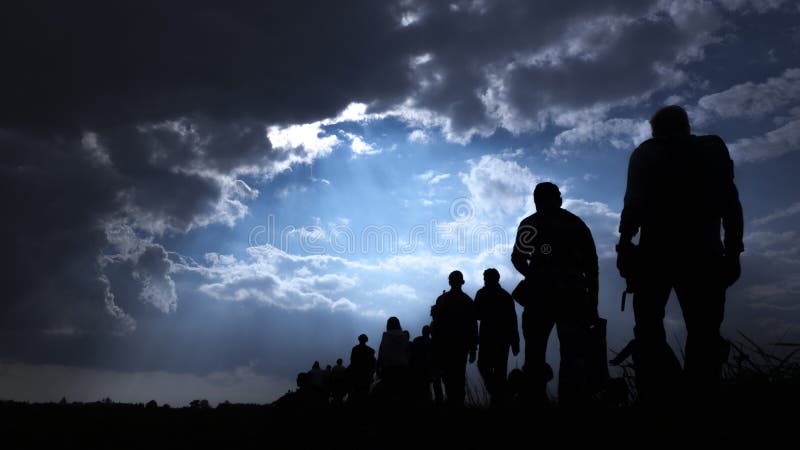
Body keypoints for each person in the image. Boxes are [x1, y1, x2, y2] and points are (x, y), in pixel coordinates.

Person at [617, 105, 743, 405]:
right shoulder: (711, 149)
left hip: (655, 255)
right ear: (686, 125)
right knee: (704, 331)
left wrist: (624, 244)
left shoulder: (645, 153)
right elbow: (730, 202)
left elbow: (633, 203)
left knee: (648, 330)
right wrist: (734, 251)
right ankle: (700, 399)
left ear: (656, 130)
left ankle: (666, 397)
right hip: (704, 254)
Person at [511, 182, 600, 406]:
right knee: (571, 353)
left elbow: (517, 258)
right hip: (571, 294)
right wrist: (593, 302)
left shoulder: (530, 223)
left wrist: (534, 274)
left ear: (536, 200)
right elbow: (592, 266)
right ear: (557, 199)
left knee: (535, 353)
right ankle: (570, 403)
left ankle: (534, 402)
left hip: (542, 296)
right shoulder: (575, 224)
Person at [430, 270, 478, 406]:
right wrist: (473, 347)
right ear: (461, 282)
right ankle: (457, 405)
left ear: (450, 282)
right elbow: (473, 326)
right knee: (458, 377)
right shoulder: (467, 300)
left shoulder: (442, 299)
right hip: (460, 346)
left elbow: (435, 324)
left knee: (448, 377)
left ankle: (453, 404)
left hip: (445, 346)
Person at [474, 268, 520, 406]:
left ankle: (498, 399)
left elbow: (476, 314)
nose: (484, 280)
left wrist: (515, 341)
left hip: (491, 339)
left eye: (486, 277)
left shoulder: (483, 294)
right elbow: (513, 320)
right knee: (497, 371)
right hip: (499, 340)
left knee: (489, 368)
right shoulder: (504, 296)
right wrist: (515, 341)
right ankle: (500, 396)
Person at [376, 316, 411, 395]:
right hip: (402, 367)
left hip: (388, 368)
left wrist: (378, 367)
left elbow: (382, 352)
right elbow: (408, 352)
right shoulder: (404, 335)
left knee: (389, 393)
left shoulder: (385, 335)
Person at [410, 324, 443, 403]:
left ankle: (425, 401)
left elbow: (413, 354)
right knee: (429, 386)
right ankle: (435, 401)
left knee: (423, 387)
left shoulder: (417, 340)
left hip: (420, 368)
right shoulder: (432, 342)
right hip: (428, 368)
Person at [348, 334, 376, 403]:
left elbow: (352, 362)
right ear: (366, 340)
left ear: (359, 339)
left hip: (357, 375)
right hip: (367, 376)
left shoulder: (355, 349)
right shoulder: (370, 351)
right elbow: (374, 363)